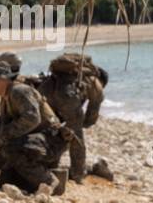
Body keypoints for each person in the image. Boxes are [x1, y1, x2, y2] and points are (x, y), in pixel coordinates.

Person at [0, 61, 70, 196]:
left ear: (2, 80)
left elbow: (33, 119)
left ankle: (50, 182)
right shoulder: (5, 98)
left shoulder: (19, 91)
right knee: (5, 181)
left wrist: (5, 134)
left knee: (14, 148)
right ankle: (50, 176)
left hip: (51, 142)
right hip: (36, 143)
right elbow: (5, 136)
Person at [35, 53, 105, 183]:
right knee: (75, 136)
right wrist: (80, 123)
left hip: (46, 89)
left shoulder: (62, 76)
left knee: (46, 129)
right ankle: (78, 173)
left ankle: (46, 163)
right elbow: (92, 114)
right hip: (67, 99)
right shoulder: (95, 83)